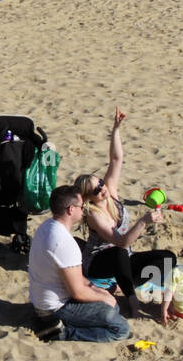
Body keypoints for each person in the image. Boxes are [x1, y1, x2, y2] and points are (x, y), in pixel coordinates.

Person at [73, 108, 177, 303]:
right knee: (120, 253)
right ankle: (131, 299)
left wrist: (116, 128)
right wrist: (144, 221)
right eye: (96, 190)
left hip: (125, 258)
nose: (102, 189)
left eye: (101, 184)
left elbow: (116, 159)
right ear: (88, 198)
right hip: (99, 262)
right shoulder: (93, 215)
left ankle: (126, 282)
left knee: (168, 257)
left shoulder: (110, 192)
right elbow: (121, 242)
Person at [28, 185, 132, 343]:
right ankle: (61, 333)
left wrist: (97, 289)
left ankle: (58, 324)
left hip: (42, 301)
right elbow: (77, 292)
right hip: (55, 308)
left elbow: (75, 278)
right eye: (81, 206)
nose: (84, 209)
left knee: (109, 301)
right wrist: (104, 298)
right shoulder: (65, 242)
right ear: (71, 210)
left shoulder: (46, 227)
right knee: (120, 327)